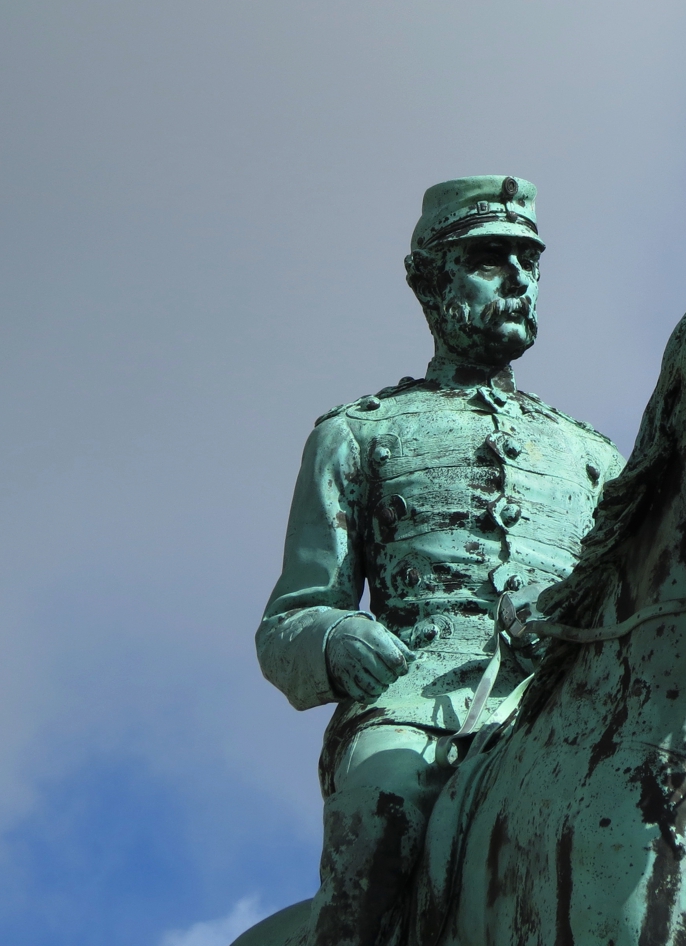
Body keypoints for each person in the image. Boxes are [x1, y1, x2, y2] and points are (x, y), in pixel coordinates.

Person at [256, 176, 624, 946]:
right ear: (430, 278)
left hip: (572, 701)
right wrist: (332, 637)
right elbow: (290, 616)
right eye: (490, 258)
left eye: (529, 260)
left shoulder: (593, 456)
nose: (519, 278)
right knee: (378, 819)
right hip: (417, 700)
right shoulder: (358, 434)